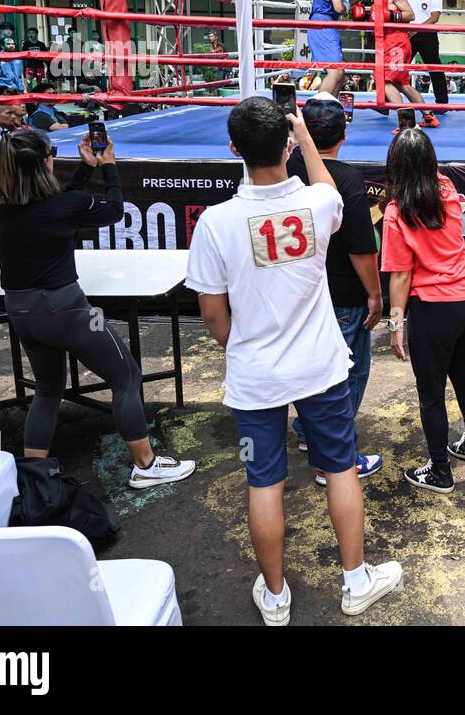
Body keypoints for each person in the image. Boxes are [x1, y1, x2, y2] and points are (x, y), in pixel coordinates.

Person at [186, 97, 402, 622]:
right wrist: (302, 132)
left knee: (264, 482)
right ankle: (356, 580)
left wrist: (245, 346)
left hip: (255, 373)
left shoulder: (215, 224)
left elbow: (214, 319)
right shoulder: (318, 205)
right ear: (287, 144)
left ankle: (277, 596)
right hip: (319, 366)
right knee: (340, 468)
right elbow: (327, 186)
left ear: (234, 148)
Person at [0, 126, 194, 485]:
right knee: (126, 376)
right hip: (64, 308)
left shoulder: (4, 206)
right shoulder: (65, 206)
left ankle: (33, 477)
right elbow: (114, 211)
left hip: (20, 309)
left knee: (49, 388)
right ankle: (145, 465)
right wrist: (109, 166)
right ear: (46, 162)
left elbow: (56, 205)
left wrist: (85, 169)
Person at [381, 128, 465, 493]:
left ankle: (440, 472)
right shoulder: (446, 190)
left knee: (430, 392)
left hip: (435, 307)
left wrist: (395, 324)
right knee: (464, 373)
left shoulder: (397, 212)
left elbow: (400, 275)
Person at [286, 96, 384, 483]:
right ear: (343, 134)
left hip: (300, 289)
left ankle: (312, 432)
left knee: (312, 367)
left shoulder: (284, 170)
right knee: (348, 371)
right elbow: (362, 250)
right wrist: (375, 295)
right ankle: (336, 457)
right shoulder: (346, 183)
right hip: (342, 293)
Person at [379, 0, 440, 132]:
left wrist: (389, 15)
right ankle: (429, 117)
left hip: (395, 44)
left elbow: (410, 15)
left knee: (382, 81)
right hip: (397, 43)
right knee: (402, 84)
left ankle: (407, 123)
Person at [404, 0, 447, 107]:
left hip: (426, 33)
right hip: (407, 33)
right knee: (397, 68)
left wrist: (416, 29)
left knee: (435, 68)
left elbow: (434, 17)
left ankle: (442, 103)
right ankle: (387, 102)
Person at [308, 0, 349, 96]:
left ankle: (331, 106)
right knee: (335, 71)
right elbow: (339, 8)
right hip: (323, 26)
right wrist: (346, 6)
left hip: (325, 25)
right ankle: (318, 108)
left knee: (340, 72)